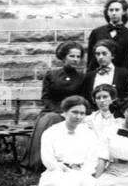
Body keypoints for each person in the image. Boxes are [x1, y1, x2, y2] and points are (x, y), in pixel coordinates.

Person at [17, 96, 104, 186]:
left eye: (82, 113)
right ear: (65, 112)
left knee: (85, 184)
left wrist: (83, 172)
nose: (78, 116)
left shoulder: (89, 134)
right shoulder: (51, 132)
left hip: (81, 172)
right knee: (61, 184)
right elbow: (47, 159)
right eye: (74, 112)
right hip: (57, 171)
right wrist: (60, 168)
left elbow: (92, 159)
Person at [27, 40, 87, 170]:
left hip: (73, 113)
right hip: (51, 110)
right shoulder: (51, 74)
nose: (75, 59)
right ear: (64, 57)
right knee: (50, 118)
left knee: (55, 119)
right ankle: (39, 162)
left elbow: (81, 99)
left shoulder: (82, 77)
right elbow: (46, 98)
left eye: (78, 56)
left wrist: (69, 112)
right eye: (72, 56)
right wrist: (59, 111)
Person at [87, 0, 128, 73]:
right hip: (99, 73)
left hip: (120, 75)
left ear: (124, 12)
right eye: (111, 10)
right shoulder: (96, 32)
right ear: (107, 12)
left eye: (117, 10)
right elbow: (91, 58)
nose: (114, 13)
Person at [83, 39, 128, 107]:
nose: (100, 57)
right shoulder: (89, 76)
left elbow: (126, 96)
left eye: (104, 53)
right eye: (97, 54)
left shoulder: (123, 74)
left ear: (112, 55)